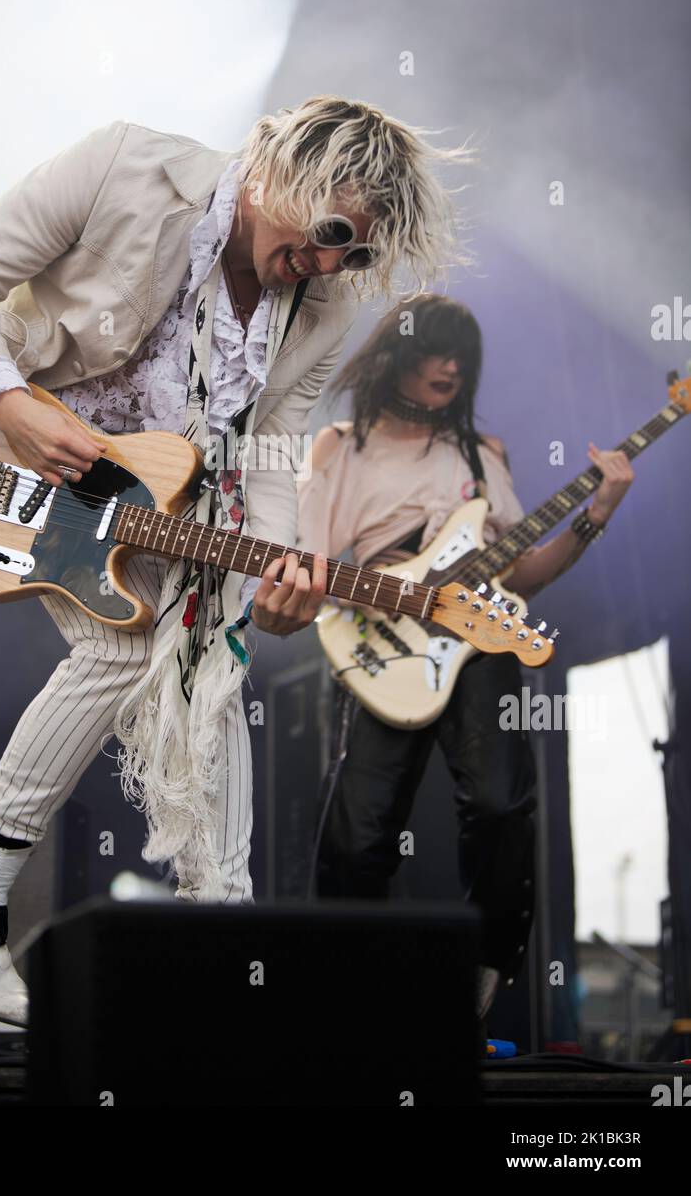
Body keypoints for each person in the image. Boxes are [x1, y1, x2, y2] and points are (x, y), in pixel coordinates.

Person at [0, 97, 469, 1027]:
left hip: (167, 503)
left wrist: (281, 567)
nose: (329, 266)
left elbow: (270, 442)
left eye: (354, 256)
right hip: (11, 459)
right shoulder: (125, 167)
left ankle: (219, 934)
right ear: (278, 169)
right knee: (124, 649)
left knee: (215, 655)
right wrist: (10, 404)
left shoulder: (326, 305)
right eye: (330, 234)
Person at [295, 294, 634, 1046]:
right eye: (434, 351)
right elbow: (310, 567)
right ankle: (353, 1004)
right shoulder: (340, 447)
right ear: (397, 354)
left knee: (502, 803)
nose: (449, 366)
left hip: (477, 639)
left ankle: (484, 966)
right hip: (385, 638)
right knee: (358, 835)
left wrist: (595, 514)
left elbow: (522, 576)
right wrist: (395, 589)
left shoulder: (483, 453)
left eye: (461, 356)